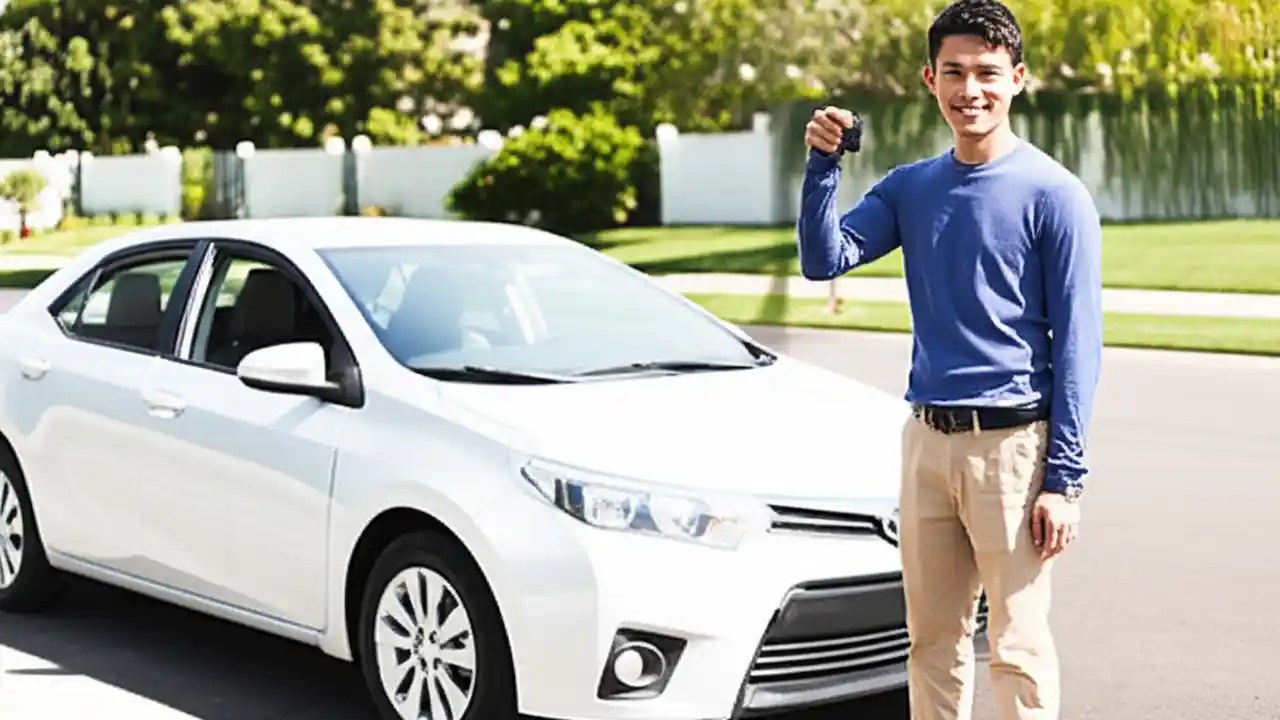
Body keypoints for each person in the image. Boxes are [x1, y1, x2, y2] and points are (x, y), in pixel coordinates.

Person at [795, 1, 1103, 719]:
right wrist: (821, 169)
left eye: (988, 74)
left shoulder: (1055, 195)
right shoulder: (911, 187)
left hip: (1014, 452)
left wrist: (1066, 480)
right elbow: (824, 259)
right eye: (955, 73)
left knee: (1018, 648)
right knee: (931, 643)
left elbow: (1080, 345)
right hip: (926, 445)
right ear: (930, 79)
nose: (972, 90)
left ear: (1018, 78)